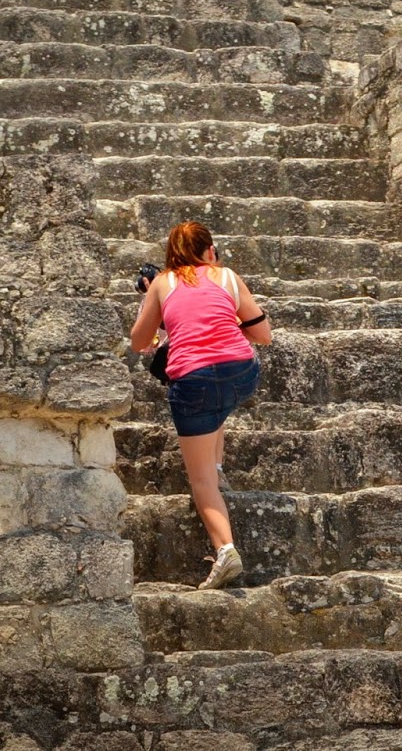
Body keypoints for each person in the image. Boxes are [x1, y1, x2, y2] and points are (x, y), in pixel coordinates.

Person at [130, 221, 272, 590]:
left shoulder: (163, 282)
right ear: (210, 250)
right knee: (216, 403)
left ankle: (225, 549)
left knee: (200, 479)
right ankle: (219, 463)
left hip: (192, 380)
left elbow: (138, 341)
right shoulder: (226, 276)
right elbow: (263, 335)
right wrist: (223, 329)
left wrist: (152, 304)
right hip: (241, 373)